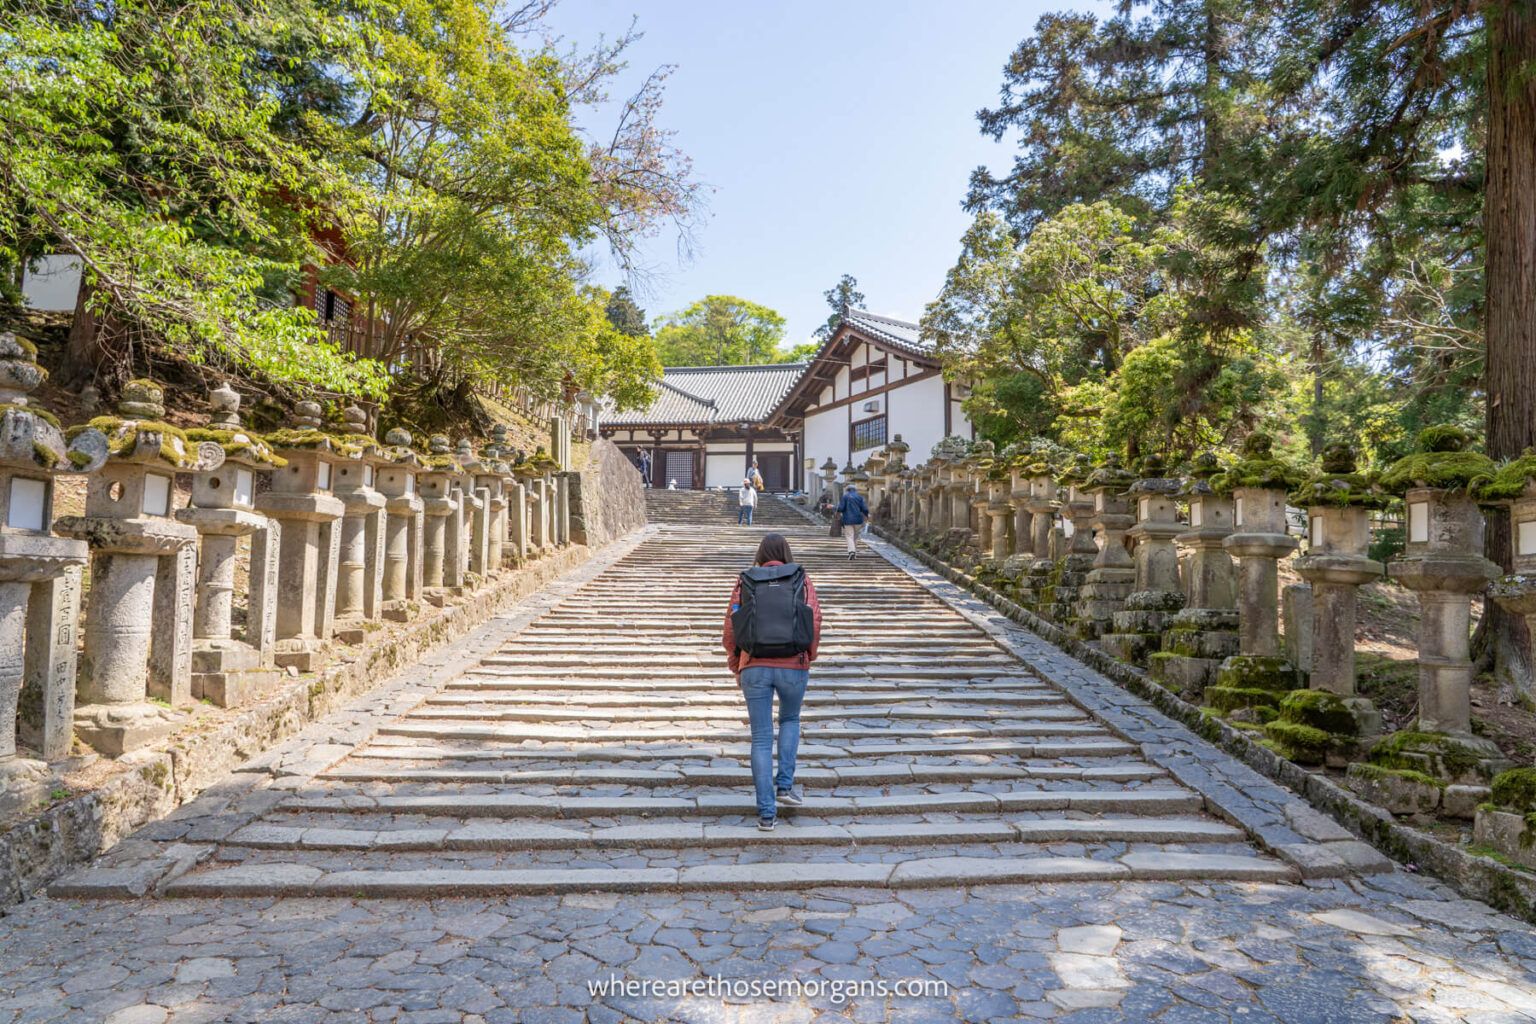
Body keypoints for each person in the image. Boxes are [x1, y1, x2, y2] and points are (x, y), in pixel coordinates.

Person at [722, 533, 822, 830]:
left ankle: (767, 814)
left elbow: (731, 628)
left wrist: (736, 665)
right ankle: (785, 786)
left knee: (761, 738)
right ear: (786, 552)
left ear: (761, 554)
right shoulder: (802, 579)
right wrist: (809, 655)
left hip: (754, 665)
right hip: (794, 664)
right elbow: (814, 620)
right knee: (790, 720)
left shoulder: (745, 581)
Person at [837, 483, 870, 560]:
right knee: (855, 536)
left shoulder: (845, 497)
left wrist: (837, 512)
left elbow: (841, 508)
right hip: (858, 520)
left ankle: (851, 551)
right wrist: (866, 515)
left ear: (847, 490)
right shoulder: (859, 497)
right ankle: (854, 553)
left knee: (849, 536)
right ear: (855, 490)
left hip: (847, 519)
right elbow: (865, 509)